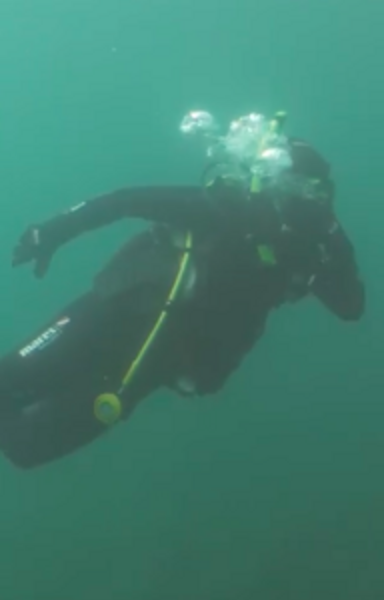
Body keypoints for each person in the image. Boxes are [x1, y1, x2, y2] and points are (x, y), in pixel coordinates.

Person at [0, 113, 364, 470]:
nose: (303, 203)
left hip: (157, 360)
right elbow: (125, 200)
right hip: (106, 314)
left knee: (26, 446)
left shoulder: (308, 252)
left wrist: (334, 238)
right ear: (268, 181)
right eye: (296, 188)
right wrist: (52, 231)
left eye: (316, 195)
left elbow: (351, 306)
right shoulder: (227, 207)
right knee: (6, 381)